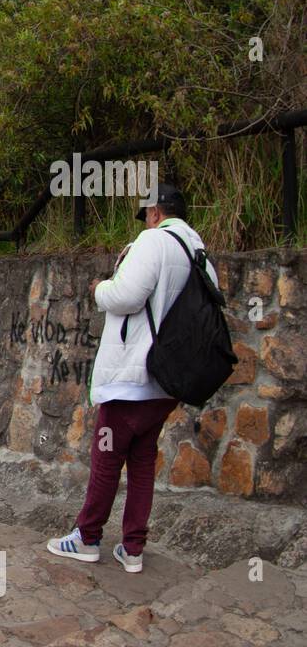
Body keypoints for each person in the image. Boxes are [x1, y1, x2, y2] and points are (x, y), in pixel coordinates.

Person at [47, 183, 218, 574]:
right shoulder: (199, 251)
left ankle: (87, 538)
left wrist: (98, 289)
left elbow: (126, 297)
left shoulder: (152, 242)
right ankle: (133, 549)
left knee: (106, 459)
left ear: (154, 213)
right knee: (142, 461)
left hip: (132, 377)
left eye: (146, 215)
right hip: (169, 380)